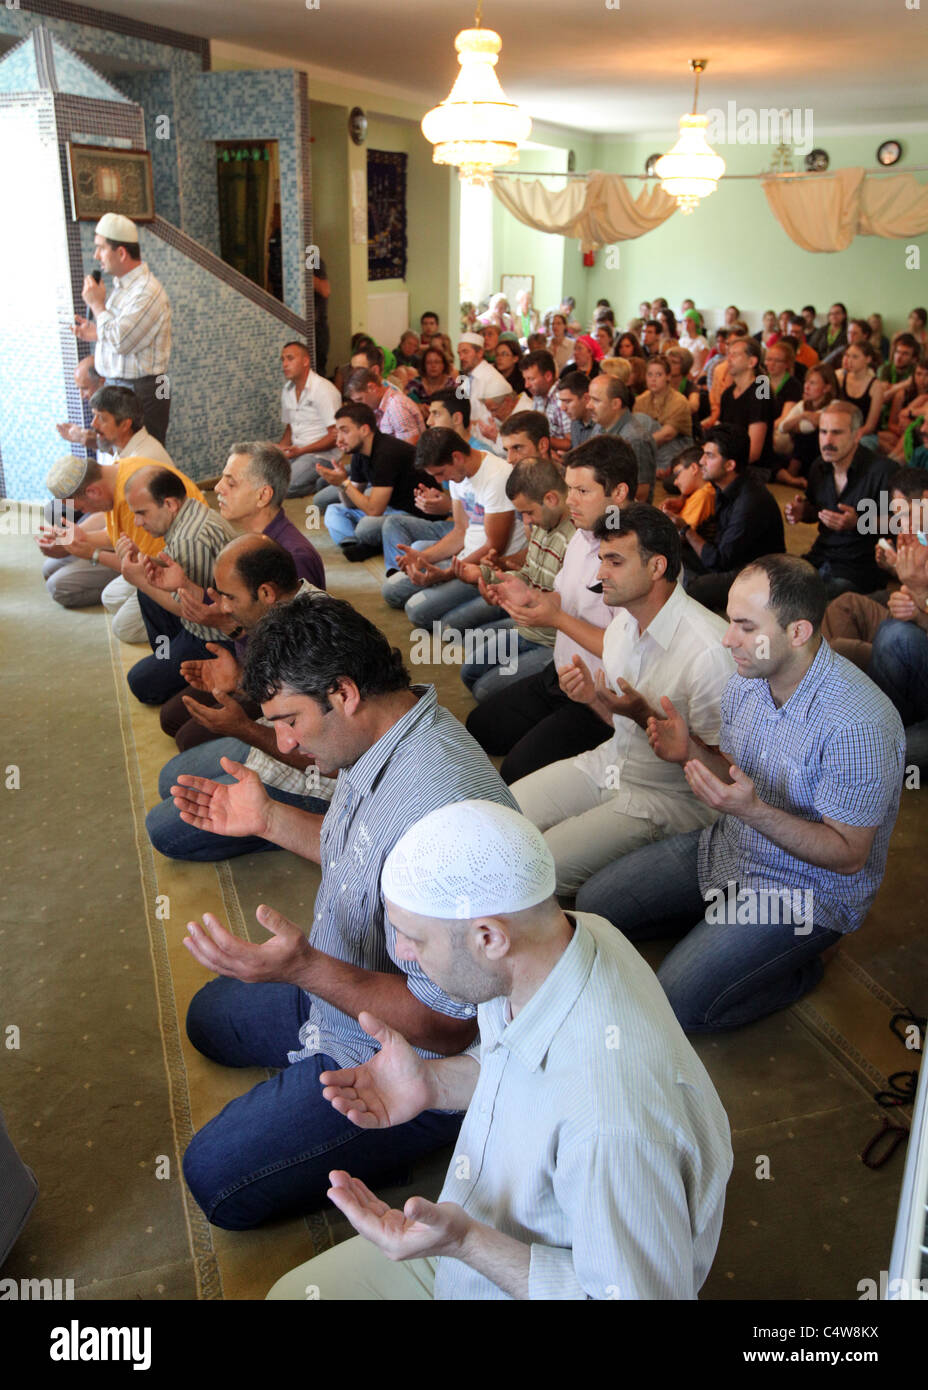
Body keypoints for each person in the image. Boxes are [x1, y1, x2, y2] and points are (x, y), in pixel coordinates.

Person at [265, 799, 732, 1301]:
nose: (400, 951)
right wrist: (433, 1082)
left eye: (413, 938)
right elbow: (522, 1067)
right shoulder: (570, 939)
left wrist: (466, 1242)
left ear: (488, 937)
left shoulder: (611, 1124)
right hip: (476, 1243)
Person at [174, 595, 518, 1228]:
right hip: (346, 982)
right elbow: (359, 854)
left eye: (289, 720)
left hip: (410, 1051)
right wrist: (269, 818)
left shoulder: (442, 816)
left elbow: (447, 1028)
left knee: (214, 1180)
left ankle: (432, 1123)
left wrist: (304, 968)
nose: (281, 742)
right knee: (207, 1018)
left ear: (345, 691)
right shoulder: (395, 727)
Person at [577, 554, 905, 1031]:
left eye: (746, 626)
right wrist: (688, 748)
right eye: (731, 621)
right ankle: (723, 926)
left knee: (679, 1003)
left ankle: (808, 961)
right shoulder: (747, 681)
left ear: (797, 633)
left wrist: (753, 812)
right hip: (731, 847)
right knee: (593, 905)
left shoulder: (858, 724)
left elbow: (850, 855)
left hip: (804, 892)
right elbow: (736, 773)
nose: (728, 638)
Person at [512, 507, 734, 896]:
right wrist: (594, 701)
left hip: (668, 797)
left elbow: (731, 775)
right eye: (601, 560)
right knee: (504, 814)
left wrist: (653, 724)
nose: (600, 574)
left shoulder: (708, 652)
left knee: (535, 868)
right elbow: (623, 726)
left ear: (656, 567)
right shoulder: (624, 625)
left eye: (615, 561)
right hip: (610, 764)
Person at [147, 537, 334, 859]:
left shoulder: (314, 643)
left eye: (229, 597)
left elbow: (325, 763)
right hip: (276, 740)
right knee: (170, 779)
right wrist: (239, 682)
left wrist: (242, 728)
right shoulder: (292, 607)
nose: (223, 606)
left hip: (316, 779)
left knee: (160, 830)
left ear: (266, 592)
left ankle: (310, 827)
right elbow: (277, 695)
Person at [466, 436, 638, 783]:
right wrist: (528, 595)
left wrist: (555, 617)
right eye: (570, 488)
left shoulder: (637, 554)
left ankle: (602, 751)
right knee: (479, 727)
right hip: (561, 673)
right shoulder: (583, 534)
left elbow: (624, 647)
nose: (570, 500)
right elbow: (562, 596)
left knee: (514, 772)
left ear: (618, 494)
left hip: (599, 699)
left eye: (583, 491)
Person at [161, 441, 326, 751]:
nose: (218, 487)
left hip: (280, 689)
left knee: (185, 736)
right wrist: (186, 586)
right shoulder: (253, 541)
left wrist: (242, 680)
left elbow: (299, 661)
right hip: (248, 666)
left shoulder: (293, 556)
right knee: (171, 716)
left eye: (231, 482)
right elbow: (244, 613)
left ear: (263, 495)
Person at [41, 385, 174, 639]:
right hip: (126, 542)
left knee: (60, 586)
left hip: (149, 555)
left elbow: (135, 542)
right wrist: (73, 538)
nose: (93, 423)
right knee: (51, 563)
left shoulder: (141, 466)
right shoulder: (123, 448)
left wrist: (84, 546)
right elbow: (111, 518)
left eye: (101, 417)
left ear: (125, 424)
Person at [38, 452, 203, 634]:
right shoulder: (116, 471)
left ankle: (187, 624)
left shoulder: (131, 497)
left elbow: (147, 566)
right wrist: (80, 538)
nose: (84, 512)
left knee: (124, 628)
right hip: (155, 559)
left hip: (185, 571)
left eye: (82, 508)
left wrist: (93, 554)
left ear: (93, 492)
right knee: (110, 597)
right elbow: (118, 536)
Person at [459, 458, 575, 702]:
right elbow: (529, 576)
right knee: (469, 671)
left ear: (551, 498)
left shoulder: (577, 539)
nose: (527, 521)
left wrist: (527, 598)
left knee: (484, 691)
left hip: (556, 642)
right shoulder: (543, 524)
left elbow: (575, 606)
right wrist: (490, 578)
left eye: (528, 512)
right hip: (531, 628)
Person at [120, 467, 238, 706]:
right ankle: (168, 658)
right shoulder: (189, 511)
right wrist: (143, 561)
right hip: (202, 620)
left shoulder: (188, 538)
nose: (137, 522)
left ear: (170, 504)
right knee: (148, 595)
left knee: (140, 682)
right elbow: (172, 569)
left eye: (142, 513)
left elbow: (189, 610)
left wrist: (138, 578)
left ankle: (180, 669)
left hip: (219, 635)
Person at [382, 428, 519, 629]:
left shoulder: (497, 476)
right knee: (391, 590)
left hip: (485, 568)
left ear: (457, 457)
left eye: (440, 473)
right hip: (464, 558)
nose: (438, 481)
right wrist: (423, 559)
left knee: (417, 611)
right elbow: (460, 531)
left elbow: (494, 547)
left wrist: (447, 573)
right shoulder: (458, 475)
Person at [72, 213, 172, 443]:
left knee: (143, 459)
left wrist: (97, 304)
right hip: (125, 386)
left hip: (148, 389)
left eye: (100, 248)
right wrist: (96, 332)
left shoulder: (147, 291)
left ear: (121, 252)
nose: (96, 255)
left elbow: (122, 341)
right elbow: (120, 333)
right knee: (122, 457)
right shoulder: (124, 288)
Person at [822, 468, 928, 670]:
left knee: (838, 650)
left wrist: (919, 602)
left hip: (915, 634)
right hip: (911, 619)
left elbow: (920, 592)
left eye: (907, 514)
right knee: (845, 604)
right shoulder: (919, 533)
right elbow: (913, 585)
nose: (903, 524)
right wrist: (895, 566)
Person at [785, 402, 893, 598]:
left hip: (859, 567)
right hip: (821, 555)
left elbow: (902, 524)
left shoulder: (883, 471)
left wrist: (859, 522)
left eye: (836, 432)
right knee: (778, 583)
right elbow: (818, 510)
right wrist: (804, 511)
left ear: (857, 435)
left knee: (808, 600)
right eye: (823, 432)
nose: (827, 440)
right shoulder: (819, 466)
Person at [674, 424, 785, 613]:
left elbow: (721, 561)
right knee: (671, 550)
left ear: (730, 465)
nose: (701, 461)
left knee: (698, 589)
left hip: (758, 575)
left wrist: (686, 530)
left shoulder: (750, 501)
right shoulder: (724, 486)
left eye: (709, 456)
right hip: (729, 560)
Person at [316, 403, 419, 561]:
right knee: (334, 510)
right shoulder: (359, 452)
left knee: (366, 526)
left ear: (364, 430)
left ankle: (370, 543)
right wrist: (341, 485)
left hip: (412, 514)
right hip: (389, 509)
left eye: (345, 431)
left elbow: (374, 510)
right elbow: (351, 504)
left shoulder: (386, 453)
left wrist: (345, 483)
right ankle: (356, 544)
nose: (339, 440)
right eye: (338, 433)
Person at [278, 340, 342, 496]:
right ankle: (320, 480)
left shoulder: (323, 389)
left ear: (306, 361)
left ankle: (327, 481)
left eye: (290, 358)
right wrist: (279, 450)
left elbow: (336, 436)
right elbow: (290, 428)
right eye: (283, 360)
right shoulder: (287, 390)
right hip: (297, 452)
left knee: (283, 488)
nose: (285, 364)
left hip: (321, 456)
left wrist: (302, 450)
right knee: (264, 478)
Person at [588, 375, 656, 502]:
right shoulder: (599, 427)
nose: (589, 406)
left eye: (596, 400)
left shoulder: (634, 439)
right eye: (589, 399)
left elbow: (640, 493)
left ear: (615, 404)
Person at [718, 337, 777, 477]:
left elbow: (754, 452)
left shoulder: (761, 390)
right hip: (729, 460)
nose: (729, 359)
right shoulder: (727, 394)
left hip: (753, 467)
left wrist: (721, 464)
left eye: (735, 354)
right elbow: (720, 435)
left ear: (752, 362)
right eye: (729, 354)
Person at [772, 363, 838, 488]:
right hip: (803, 455)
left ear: (827, 388)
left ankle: (792, 471)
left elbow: (809, 427)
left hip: (823, 455)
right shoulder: (802, 405)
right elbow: (783, 427)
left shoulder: (834, 405)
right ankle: (791, 476)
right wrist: (803, 416)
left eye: (812, 383)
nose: (806, 387)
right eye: (806, 382)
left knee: (807, 435)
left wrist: (799, 423)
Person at [634, 355, 693, 474]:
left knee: (642, 420)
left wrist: (638, 446)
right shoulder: (640, 400)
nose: (653, 379)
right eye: (649, 374)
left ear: (668, 377)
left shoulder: (679, 401)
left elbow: (667, 435)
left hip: (676, 446)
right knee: (639, 420)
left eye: (658, 375)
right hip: (650, 447)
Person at [345, 367, 423, 447]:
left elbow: (409, 449)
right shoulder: (379, 407)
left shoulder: (397, 406)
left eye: (360, 399)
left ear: (371, 388)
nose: (359, 405)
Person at [522, 350, 572, 453]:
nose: (526, 385)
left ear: (548, 376)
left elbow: (571, 442)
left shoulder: (562, 398)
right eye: (525, 379)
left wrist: (538, 439)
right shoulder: (539, 394)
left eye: (531, 379)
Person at [836, 342, 885, 440]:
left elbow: (870, 426)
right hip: (842, 428)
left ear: (868, 359)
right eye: (848, 356)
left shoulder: (876, 387)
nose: (849, 361)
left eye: (855, 357)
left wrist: (851, 435)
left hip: (865, 434)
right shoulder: (841, 379)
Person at [661, 446, 716, 533]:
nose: (675, 482)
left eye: (677, 474)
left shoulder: (703, 495)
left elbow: (684, 535)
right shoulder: (694, 495)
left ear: (694, 468)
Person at [405, 345, 457, 419]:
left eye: (437, 362)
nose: (433, 366)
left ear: (444, 365)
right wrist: (417, 406)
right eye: (429, 362)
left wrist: (433, 411)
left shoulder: (451, 385)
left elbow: (456, 409)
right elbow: (403, 402)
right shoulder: (415, 383)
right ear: (424, 366)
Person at [558, 371, 596, 450]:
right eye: (561, 401)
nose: (562, 408)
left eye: (567, 401)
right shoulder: (575, 422)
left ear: (586, 398)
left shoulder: (601, 426)